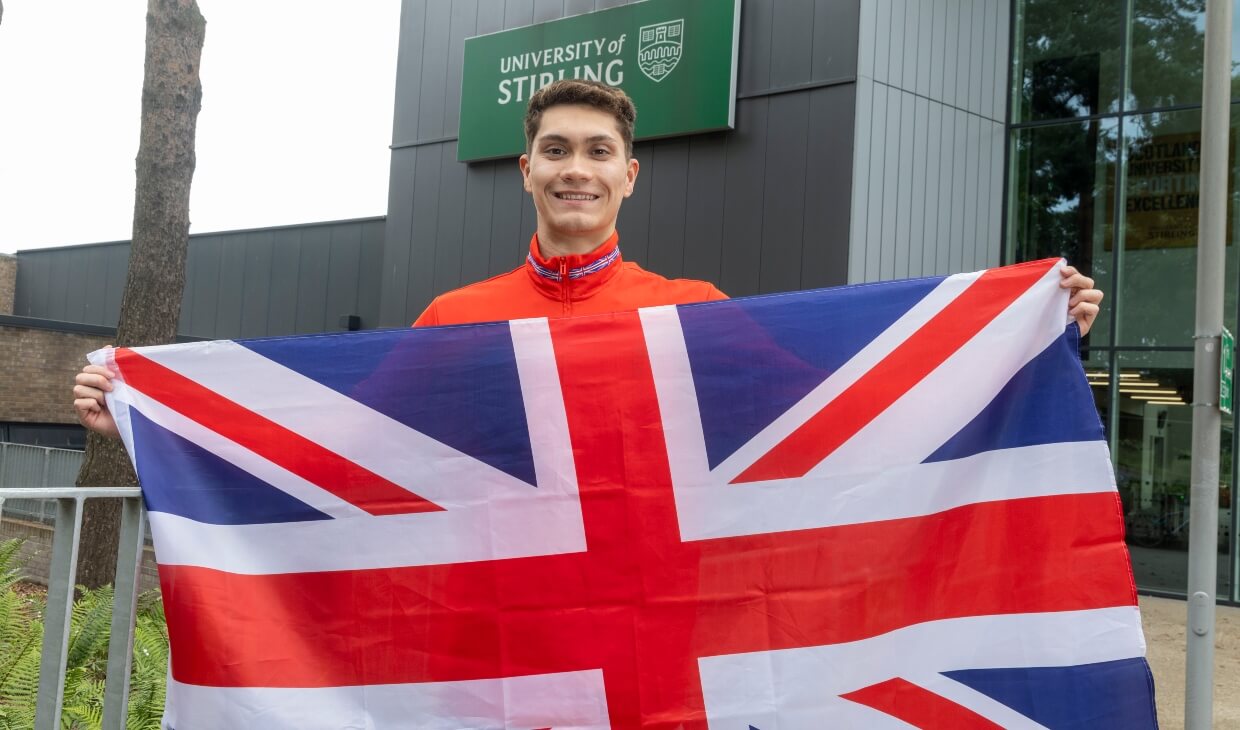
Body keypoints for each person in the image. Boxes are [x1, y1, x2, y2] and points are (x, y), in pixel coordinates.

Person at [73, 79, 1102, 436]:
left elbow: (838, 406)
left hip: (651, 638)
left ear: (629, 175)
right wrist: (144, 400)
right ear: (525, 170)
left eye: (596, 152)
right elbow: (336, 432)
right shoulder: (453, 312)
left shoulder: (691, 308)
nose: (576, 168)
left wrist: (1018, 338)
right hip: (496, 632)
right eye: (556, 151)